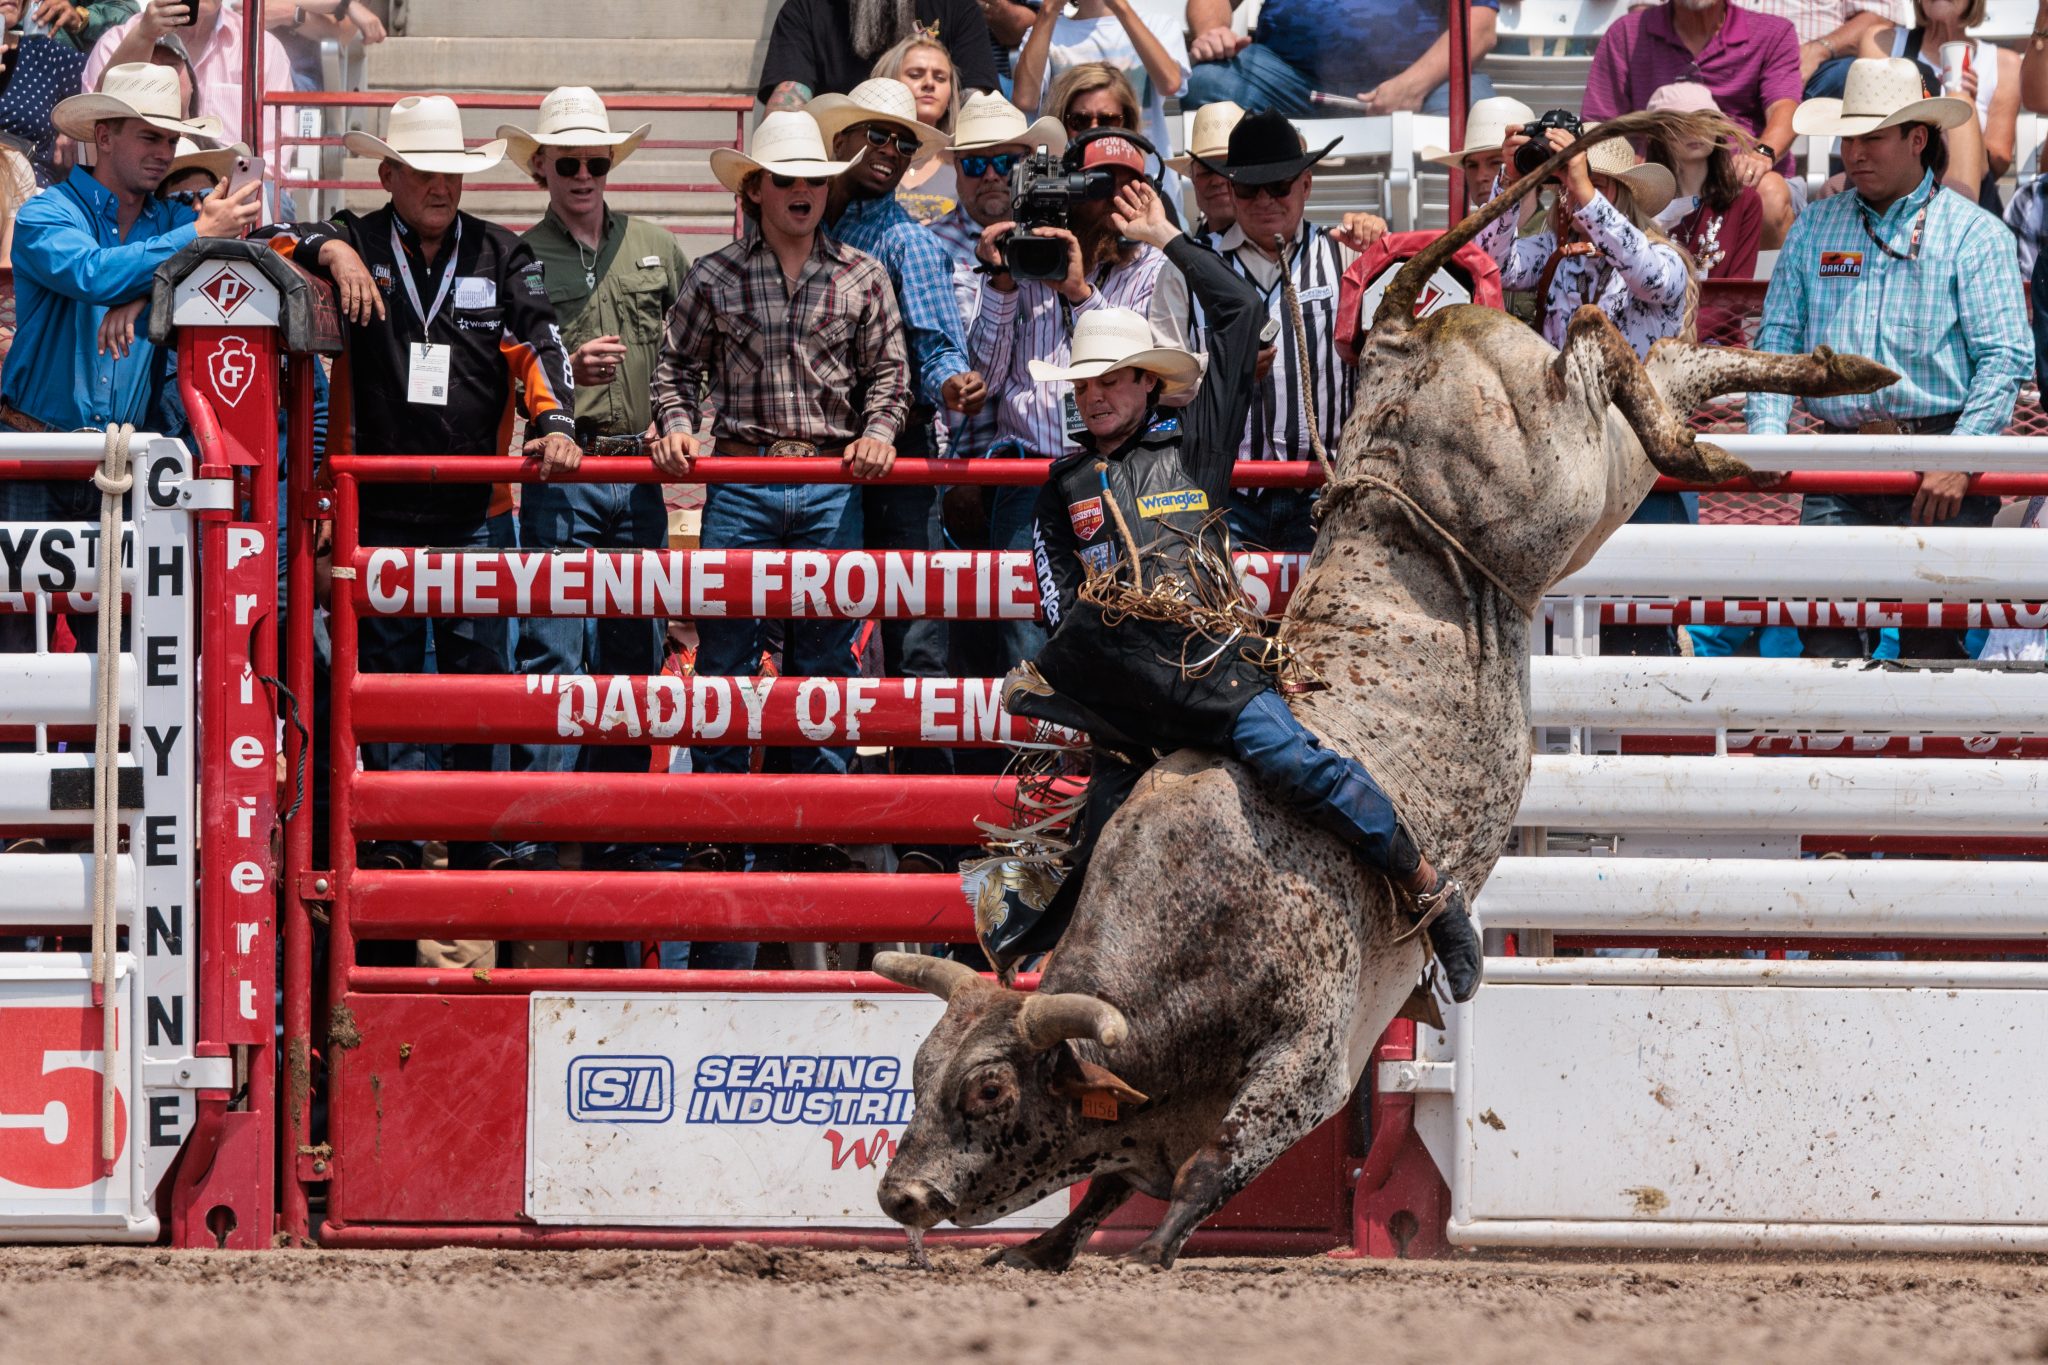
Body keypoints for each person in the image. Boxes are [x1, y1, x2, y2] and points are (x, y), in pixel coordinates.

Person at [988, 177, 1485, 1002]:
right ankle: (1061, 1007)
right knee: (1080, 862)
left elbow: (1240, 317)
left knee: (1301, 763)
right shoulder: (1064, 484)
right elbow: (1057, 604)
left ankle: (1431, 896)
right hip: (1128, 697)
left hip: (1212, 666)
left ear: (1151, 381)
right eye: (1084, 384)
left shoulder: (1197, 446)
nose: (1097, 394)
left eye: (1113, 378)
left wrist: (1167, 238)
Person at [264, 94, 581, 955]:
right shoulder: (349, 244)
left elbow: (539, 342)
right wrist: (329, 244)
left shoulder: (500, 251)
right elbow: (264, 246)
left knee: (481, 691)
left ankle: (478, 855)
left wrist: (556, 421)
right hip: (379, 516)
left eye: (452, 171)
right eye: (425, 171)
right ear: (389, 176)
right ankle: (398, 856)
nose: (442, 184)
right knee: (391, 695)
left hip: (474, 515)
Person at [650, 111, 910, 946]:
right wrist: (680, 424)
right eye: (788, 179)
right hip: (748, 474)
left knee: (825, 659)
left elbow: (891, 376)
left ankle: (816, 832)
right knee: (727, 656)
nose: (803, 192)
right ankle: (729, 828)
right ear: (755, 188)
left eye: (813, 180)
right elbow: (672, 370)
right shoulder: (714, 275)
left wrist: (881, 430)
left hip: (830, 477)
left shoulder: (864, 274)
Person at [1748, 57, 2030, 658]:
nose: (1855, 153)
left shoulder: (1976, 236)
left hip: (1936, 463)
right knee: (1827, 642)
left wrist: (1960, 456)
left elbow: (2005, 360)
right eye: (1849, 139)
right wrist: (1766, 444)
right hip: (1843, 460)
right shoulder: (1814, 229)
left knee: (1932, 645)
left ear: (1917, 139)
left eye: (1872, 138)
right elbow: (1776, 343)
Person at [491, 87, 689, 933]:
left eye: (594, 161)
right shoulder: (514, 256)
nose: (580, 174)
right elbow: (497, 361)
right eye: (566, 162)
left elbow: (695, 346)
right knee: (553, 651)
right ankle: (548, 836)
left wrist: (676, 417)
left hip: (634, 468)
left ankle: (607, 835)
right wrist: (566, 370)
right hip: (559, 469)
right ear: (540, 166)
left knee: (629, 650)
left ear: (611, 166)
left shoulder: (656, 247)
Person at [0, 61, 258, 662]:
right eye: (150, 136)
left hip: (108, 460)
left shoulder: (169, 218)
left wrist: (141, 297)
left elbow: (231, 264)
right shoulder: (47, 213)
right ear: (106, 137)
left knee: (115, 641)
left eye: (170, 139)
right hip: (41, 455)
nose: (164, 152)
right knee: (16, 635)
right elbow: (91, 274)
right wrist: (186, 247)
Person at [812, 77, 985, 875]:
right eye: (877, 137)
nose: (890, 153)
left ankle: (925, 826)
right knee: (832, 632)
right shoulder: (815, 217)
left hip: (898, 449)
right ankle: (839, 810)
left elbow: (938, 341)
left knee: (913, 638)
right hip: (829, 449)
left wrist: (947, 381)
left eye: (904, 142)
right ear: (843, 138)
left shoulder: (905, 238)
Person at [1491, 124, 1698, 655]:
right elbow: (1490, 265)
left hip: (1641, 471)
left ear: (1622, 195)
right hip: (1565, 473)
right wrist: (1513, 184)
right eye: (1571, 182)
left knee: (1640, 629)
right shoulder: (1555, 255)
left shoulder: (1662, 259)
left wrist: (1584, 196)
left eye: (1596, 184)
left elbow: (1648, 276)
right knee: (1560, 626)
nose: (1575, 194)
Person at [968, 125, 1167, 666]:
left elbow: (1138, 370)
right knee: (1025, 640)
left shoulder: (1155, 268)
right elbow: (980, 375)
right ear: (1075, 190)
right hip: (1025, 475)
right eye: (1102, 186)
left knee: (1119, 625)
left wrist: (1080, 293)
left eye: (1132, 188)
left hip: (1114, 473)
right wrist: (1002, 282)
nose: (1116, 202)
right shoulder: (1027, 251)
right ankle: (1038, 753)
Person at [1149, 111, 1353, 555]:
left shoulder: (1345, 258)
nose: (1264, 200)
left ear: (1306, 184)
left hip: (1322, 490)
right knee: (1225, 621)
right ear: (1231, 190)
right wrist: (1224, 369)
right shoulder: (1185, 269)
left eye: (1279, 186)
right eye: (1248, 188)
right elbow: (1160, 381)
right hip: (1223, 492)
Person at [1581, 0, 1804, 247]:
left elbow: (1785, 107)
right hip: (1656, 179)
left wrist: (1761, 155)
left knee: (1769, 194)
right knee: (1604, 191)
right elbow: (1599, 126)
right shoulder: (1626, 34)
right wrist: (1633, 170)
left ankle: (1768, 286)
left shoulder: (1773, 32)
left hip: (1741, 181)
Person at [926, 89, 1064, 460]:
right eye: (974, 164)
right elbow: (944, 369)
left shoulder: (1060, 238)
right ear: (955, 168)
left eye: (1004, 162)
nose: (990, 175)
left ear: (1029, 164)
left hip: (1051, 453)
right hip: (965, 458)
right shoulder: (929, 246)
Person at [1182, 0, 1500, 117]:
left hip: (1419, 82)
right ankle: (1230, 236)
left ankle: (1464, 247)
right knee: (1209, 85)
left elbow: (1479, 25)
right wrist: (1212, 32)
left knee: (1480, 112)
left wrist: (1412, 86)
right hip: (1290, 82)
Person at [85, 0, 295, 176]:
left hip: (237, 191)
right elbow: (94, 135)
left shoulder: (263, 49)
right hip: (139, 192)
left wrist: (223, 189)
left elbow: (274, 161)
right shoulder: (115, 43)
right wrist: (143, 36)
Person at [1857, 0, 2019, 202]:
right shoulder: (1884, 44)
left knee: (1961, 103)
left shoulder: (2003, 64)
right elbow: (1868, 126)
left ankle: (1950, 222)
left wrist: (1969, 111)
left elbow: (1998, 163)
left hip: (1972, 190)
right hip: (1896, 180)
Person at [1010, 0, 1186, 173]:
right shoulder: (1044, 30)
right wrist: (1049, 9)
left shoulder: (1159, 25)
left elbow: (1170, 83)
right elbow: (1025, 100)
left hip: (1146, 179)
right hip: (1072, 182)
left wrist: (1120, 7)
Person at [758, 0, 998, 111]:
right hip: (839, 173)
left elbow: (976, 106)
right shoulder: (807, 8)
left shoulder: (956, 7)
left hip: (935, 168)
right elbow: (786, 106)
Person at [1743, 0, 1906, 95]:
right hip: (1730, 64)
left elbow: (1880, 18)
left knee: (1853, 75)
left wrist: (1818, 50)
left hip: (1814, 67)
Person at [1164, 97, 1242, 237]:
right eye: (1206, 171)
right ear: (1192, 177)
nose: (1218, 180)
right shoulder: (1178, 256)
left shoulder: (1288, 252)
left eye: (1228, 167)